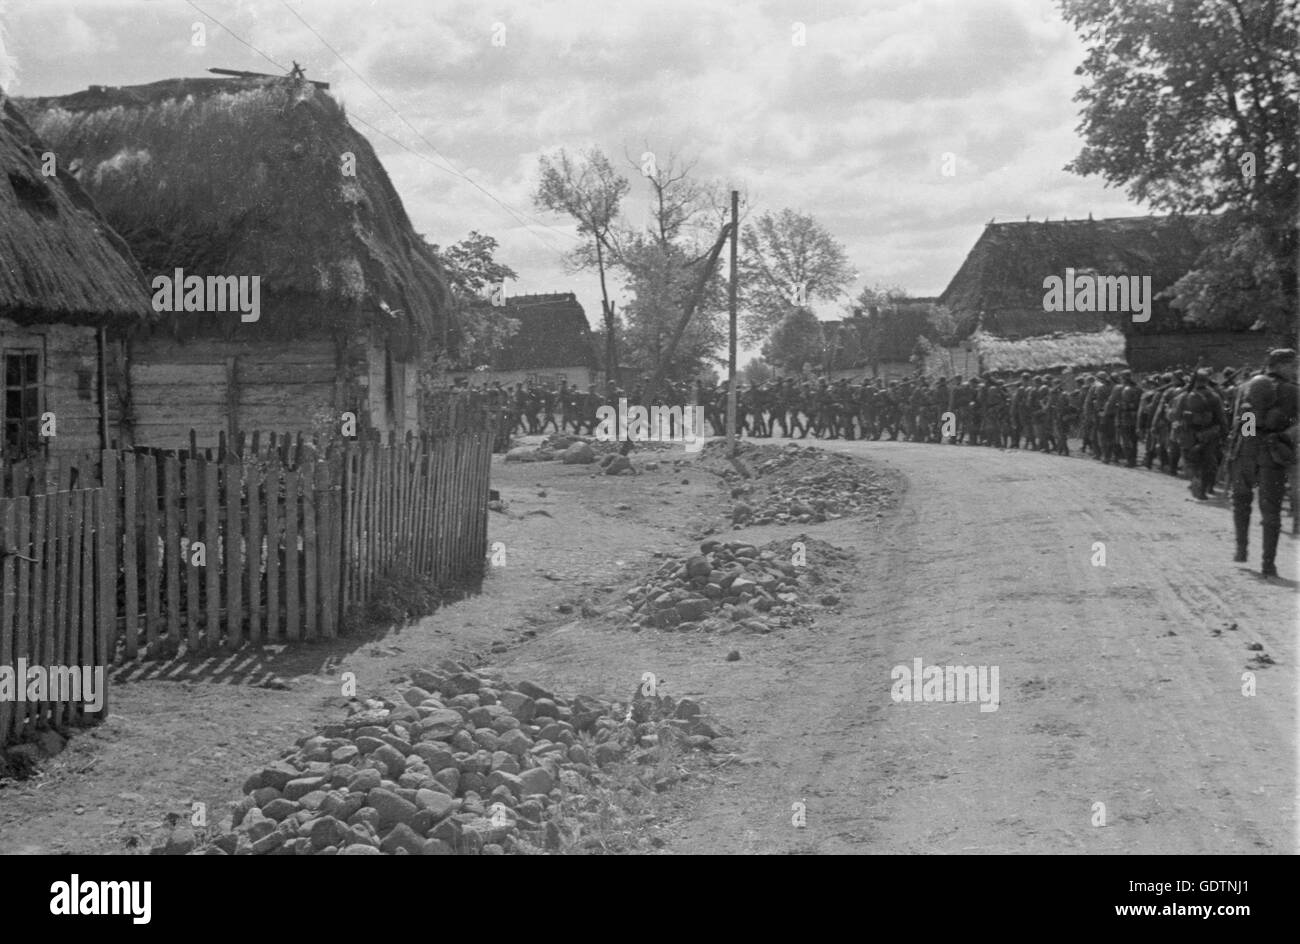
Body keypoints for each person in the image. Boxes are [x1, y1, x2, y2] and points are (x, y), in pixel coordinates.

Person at [1227, 348, 1298, 577]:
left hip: (1246, 451)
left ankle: (1241, 548)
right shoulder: (1293, 391)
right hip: (1272, 453)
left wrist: (1250, 439)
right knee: (1271, 511)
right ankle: (1268, 563)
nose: (1294, 369)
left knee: (1241, 502)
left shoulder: (1246, 386)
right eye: (1291, 365)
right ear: (1279, 365)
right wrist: (1280, 438)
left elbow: (1242, 418)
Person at [1180, 367, 1227, 500]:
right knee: (1207, 461)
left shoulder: (1185, 395)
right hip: (1209, 433)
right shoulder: (1214, 396)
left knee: (1191, 460)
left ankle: (1195, 481)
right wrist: (1224, 435)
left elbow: (1175, 415)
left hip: (1189, 433)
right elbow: (1221, 418)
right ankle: (1203, 489)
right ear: (1207, 381)